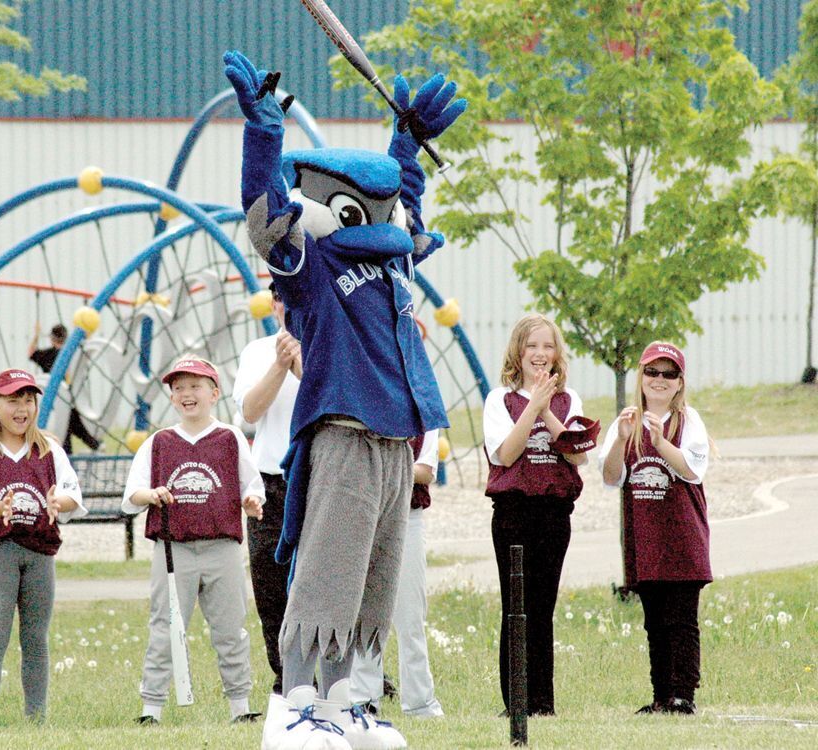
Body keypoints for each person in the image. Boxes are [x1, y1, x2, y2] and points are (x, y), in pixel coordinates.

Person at [225, 50, 464, 750]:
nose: (386, 221)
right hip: (344, 430)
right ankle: (297, 704)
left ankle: (346, 702)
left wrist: (407, 143)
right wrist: (264, 132)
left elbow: (405, 204)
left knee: (374, 581)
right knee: (328, 572)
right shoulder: (315, 264)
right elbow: (266, 217)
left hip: (398, 438)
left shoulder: (391, 261)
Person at [122, 356, 264, 726]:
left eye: (195, 386)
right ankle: (151, 708)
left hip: (222, 547)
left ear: (214, 393)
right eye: (179, 388)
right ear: (171, 398)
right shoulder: (159, 442)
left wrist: (252, 502)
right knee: (166, 627)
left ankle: (240, 705)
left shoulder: (230, 437)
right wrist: (151, 494)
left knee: (230, 628)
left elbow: (252, 486)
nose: (187, 394)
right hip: (174, 548)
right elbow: (132, 494)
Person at [0, 368, 87, 724]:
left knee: (36, 639)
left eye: (28, 400)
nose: (22, 408)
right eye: (13, 400)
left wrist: (60, 503)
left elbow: (72, 495)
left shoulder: (49, 450)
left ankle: (36, 719)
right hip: (0, 551)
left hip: (40, 553)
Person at [483, 313, 599, 717]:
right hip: (514, 511)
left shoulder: (570, 400)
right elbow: (507, 453)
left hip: (553, 512)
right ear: (518, 350)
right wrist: (531, 404)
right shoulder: (500, 399)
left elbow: (577, 453)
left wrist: (547, 409)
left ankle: (542, 702)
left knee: (543, 604)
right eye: (532, 345)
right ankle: (515, 701)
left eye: (548, 346)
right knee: (516, 604)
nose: (540, 354)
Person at [598, 342, 711, 716]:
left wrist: (661, 442)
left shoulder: (688, 421)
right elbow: (611, 476)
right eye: (652, 372)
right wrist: (620, 438)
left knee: (681, 620)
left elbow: (692, 470)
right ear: (640, 377)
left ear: (680, 382)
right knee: (655, 621)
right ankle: (661, 694)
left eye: (668, 374)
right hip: (646, 538)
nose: (659, 380)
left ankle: (684, 694)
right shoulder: (626, 422)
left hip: (681, 538)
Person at [232, 282, 300, 696]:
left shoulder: (331, 340)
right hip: (271, 480)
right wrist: (279, 364)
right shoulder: (256, 352)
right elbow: (250, 412)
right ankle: (285, 674)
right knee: (269, 580)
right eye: (282, 299)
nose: (287, 306)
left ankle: (351, 670)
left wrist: (300, 361)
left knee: (325, 579)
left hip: (319, 476)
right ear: (273, 304)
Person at [350, 429, 445, 719]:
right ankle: (363, 697)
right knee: (364, 609)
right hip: (364, 512)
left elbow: (425, 471)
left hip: (408, 514)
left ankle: (420, 702)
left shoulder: (422, 407)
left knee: (410, 613)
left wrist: (377, 466)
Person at [28, 322, 100, 454]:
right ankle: (94, 446)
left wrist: (36, 334)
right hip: (71, 397)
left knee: (66, 426)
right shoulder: (72, 354)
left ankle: (74, 451)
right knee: (74, 425)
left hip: (54, 398)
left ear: (51, 338)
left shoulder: (47, 355)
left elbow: (31, 353)